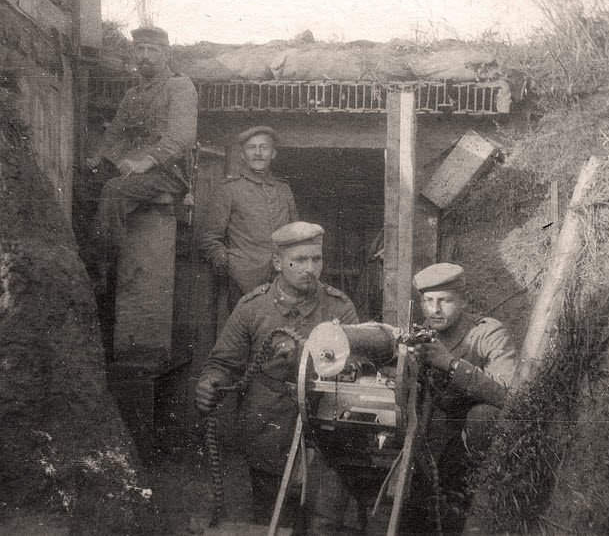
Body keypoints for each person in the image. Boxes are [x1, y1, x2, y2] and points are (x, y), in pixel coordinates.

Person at [310, 262, 517, 535]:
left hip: (462, 449)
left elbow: (509, 393)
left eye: (445, 300)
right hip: (420, 447)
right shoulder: (416, 336)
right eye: (428, 301)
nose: (435, 310)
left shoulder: (487, 334)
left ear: (463, 301)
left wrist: (452, 364)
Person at [195, 221, 359, 524]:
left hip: (324, 425)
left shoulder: (339, 307)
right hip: (268, 425)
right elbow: (222, 364)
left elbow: (358, 370)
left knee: (322, 518)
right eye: (300, 260)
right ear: (278, 262)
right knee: (272, 516)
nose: (310, 268)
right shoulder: (252, 308)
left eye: (317, 259)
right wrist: (210, 383)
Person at [86, 25, 198, 289]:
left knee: (114, 190)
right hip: (133, 170)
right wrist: (97, 158)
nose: (145, 55)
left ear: (166, 55)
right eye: (140, 49)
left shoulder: (180, 87)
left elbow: (181, 136)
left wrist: (145, 162)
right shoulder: (132, 94)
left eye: (152, 50)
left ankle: (98, 272)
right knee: (82, 185)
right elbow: (114, 134)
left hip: (166, 173)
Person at [198, 126, 298, 309]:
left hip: (283, 280)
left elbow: (295, 234)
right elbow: (210, 238)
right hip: (243, 284)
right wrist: (231, 267)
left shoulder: (283, 190)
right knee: (246, 335)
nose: (258, 153)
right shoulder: (229, 189)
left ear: (273, 153)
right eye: (252, 148)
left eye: (264, 148)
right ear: (243, 155)